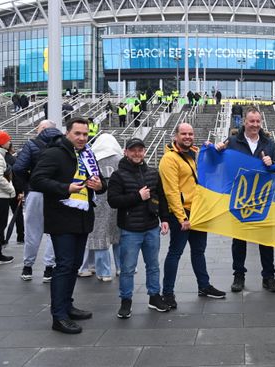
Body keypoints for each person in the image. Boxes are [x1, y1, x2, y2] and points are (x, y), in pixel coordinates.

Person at [31, 117, 107, 334]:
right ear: (68, 133)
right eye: (78, 134)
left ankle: (67, 305)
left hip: (82, 218)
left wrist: (100, 185)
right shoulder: (54, 153)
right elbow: (37, 180)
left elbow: (100, 184)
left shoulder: (87, 154)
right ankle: (59, 316)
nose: (82, 138)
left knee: (73, 265)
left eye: (85, 134)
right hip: (61, 218)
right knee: (64, 265)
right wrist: (65, 187)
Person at [214, 106, 275, 293]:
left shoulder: (268, 143)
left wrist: (272, 163)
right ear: (244, 121)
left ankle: (268, 277)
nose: (255, 125)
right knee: (239, 240)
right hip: (240, 197)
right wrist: (217, 150)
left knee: (265, 239)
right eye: (251, 121)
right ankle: (239, 276)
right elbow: (217, 160)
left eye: (258, 121)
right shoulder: (233, 141)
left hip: (262, 197)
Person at [159, 122, 226, 309]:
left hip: (197, 212)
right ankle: (168, 293)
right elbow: (171, 191)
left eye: (190, 133)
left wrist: (215, 151)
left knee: (199, 251)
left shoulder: (194, 154)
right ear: (176, 136)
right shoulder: (169, 159)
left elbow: (211, 170)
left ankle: (204, 286)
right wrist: (182, 218)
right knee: (175, 253)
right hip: (183, 214)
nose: (187, 137)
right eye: (183, 134)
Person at [107, 138, 171, 318]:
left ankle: (154, 297)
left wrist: (164, 219)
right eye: (133, 150)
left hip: (151, 227)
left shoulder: (152, 172)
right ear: (126, 152)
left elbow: (161, 197)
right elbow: (113, 201)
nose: (137, 153)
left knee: (153, 266)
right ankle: (125, 301)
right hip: (130, 229)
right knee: (127, 268)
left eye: (140, 150)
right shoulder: (118, 175)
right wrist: (137, 196)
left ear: (144, 152)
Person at [14, 120, 62, 282]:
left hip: (35, 192)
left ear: (42, 130)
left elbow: (18, 168)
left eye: (39, 128)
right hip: (55, 192)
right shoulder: (63, 145)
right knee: (53, 231)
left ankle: (28, 267)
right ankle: (49, 269)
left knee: (32, 231)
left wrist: (28, 182)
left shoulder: (31, 145)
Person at [80, 134, 123, 281]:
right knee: (118, 237)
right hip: (116, 203)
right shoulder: (120, 160)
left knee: (99, 237)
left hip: (97, 203)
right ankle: (121, 268)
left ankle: (102, 272)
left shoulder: (93, 160)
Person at [5, 141, 25, 244]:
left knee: (2, 216)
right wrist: (21, 191)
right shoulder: (14, 160)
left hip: (4, 191)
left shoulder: (3, 157)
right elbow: (19, 177)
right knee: (18, 214)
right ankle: (21, 236)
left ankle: (2, 239)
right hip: (16, 190)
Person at [0, 131, 15, 247]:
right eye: (8, 140)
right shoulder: (0, 157)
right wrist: (11, 189)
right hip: (1, 196)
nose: (9, 142)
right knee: (0, 225)